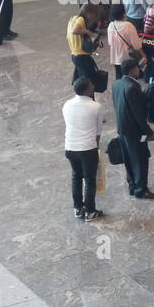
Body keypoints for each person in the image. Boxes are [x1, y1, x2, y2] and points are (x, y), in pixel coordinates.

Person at [111, 56, 154, 199]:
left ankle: (133, 185)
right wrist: (148, 131)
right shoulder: (133, 87)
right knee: (140, 159)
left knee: (129, 159)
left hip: (122, 127)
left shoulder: (117, 84)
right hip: (134, 131)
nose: (139, 69)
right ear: (132, 70)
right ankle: (141, 189)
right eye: (138, 67)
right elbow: (138, 113)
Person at [63, 76, 105, 221]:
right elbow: (98, 131)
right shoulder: (95, 106)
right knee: (89, 179)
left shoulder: (67, 104)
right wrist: (96, 146)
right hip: (87, 148)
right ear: (87, 90)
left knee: (76, 176)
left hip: (70, 147)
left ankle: (78, 208)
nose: (93, 85)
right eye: (91, 85)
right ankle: (90, 211)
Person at [67, 4, 105, 90]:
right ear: (89, 13)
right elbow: (74, 31)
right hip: (81, 55)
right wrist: (88, 32)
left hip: (74, 55)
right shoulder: (80, 19)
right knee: (89, 82)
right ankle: (89, 99)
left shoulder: (73, 19)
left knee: (81, 79)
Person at [106, 3, 144, 79]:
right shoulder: (128, 25)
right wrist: (144, 56)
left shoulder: (110, 25)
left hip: (115, 58)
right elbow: (137, 46)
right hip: (127, 59)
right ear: (123, 13)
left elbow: (110, 42)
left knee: (119, 78)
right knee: (130, 80)